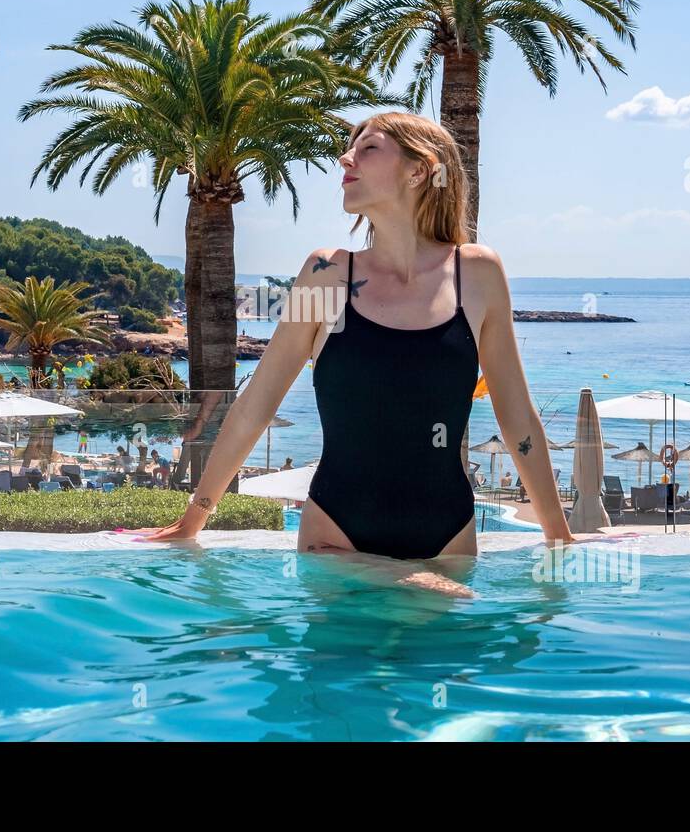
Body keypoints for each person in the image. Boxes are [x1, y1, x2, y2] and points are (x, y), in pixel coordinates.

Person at [128, 112, 612, 572]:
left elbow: (517, 415)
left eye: (368, 148)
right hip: (336, 532)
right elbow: (258, 402)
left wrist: (559, 536)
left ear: (420, 170)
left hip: (447, 536)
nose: (345, 159)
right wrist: (195, 518)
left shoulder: (478, 273)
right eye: (348, 149)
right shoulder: (326, 274)